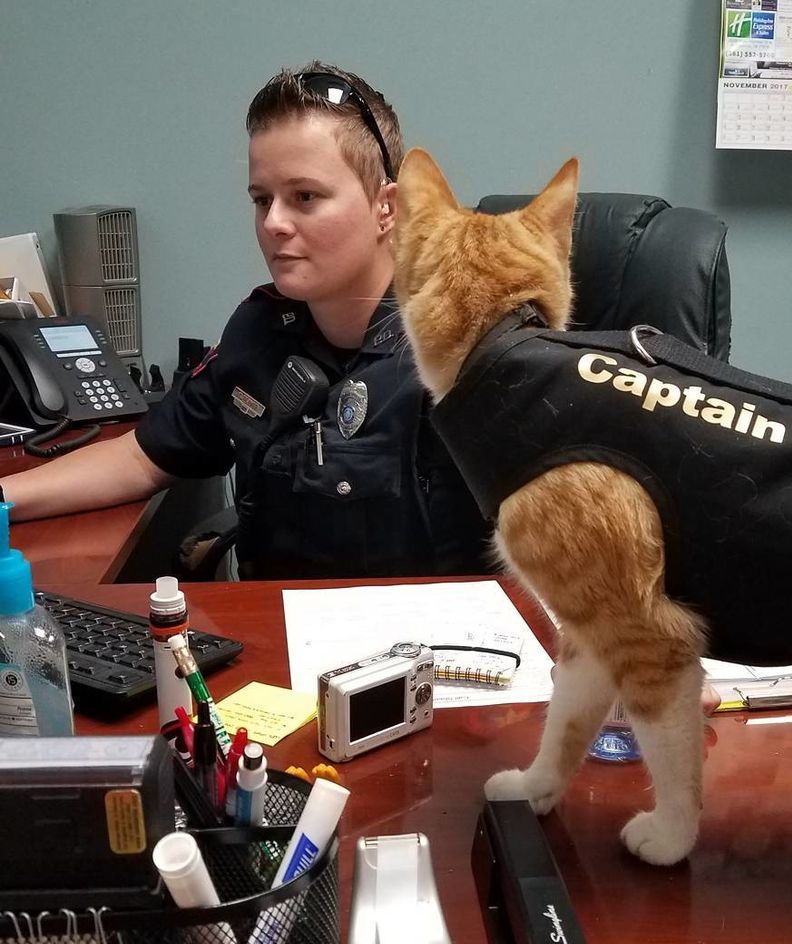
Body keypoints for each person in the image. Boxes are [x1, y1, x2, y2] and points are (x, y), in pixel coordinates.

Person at [2, 62, 491, 579]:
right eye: (263, 200)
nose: (274, 223)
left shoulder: (464, 350)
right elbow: (141, 460)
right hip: (273, 634)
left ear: (386, 207)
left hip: (429, 649)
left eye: (305, 196)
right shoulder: (260, 331)